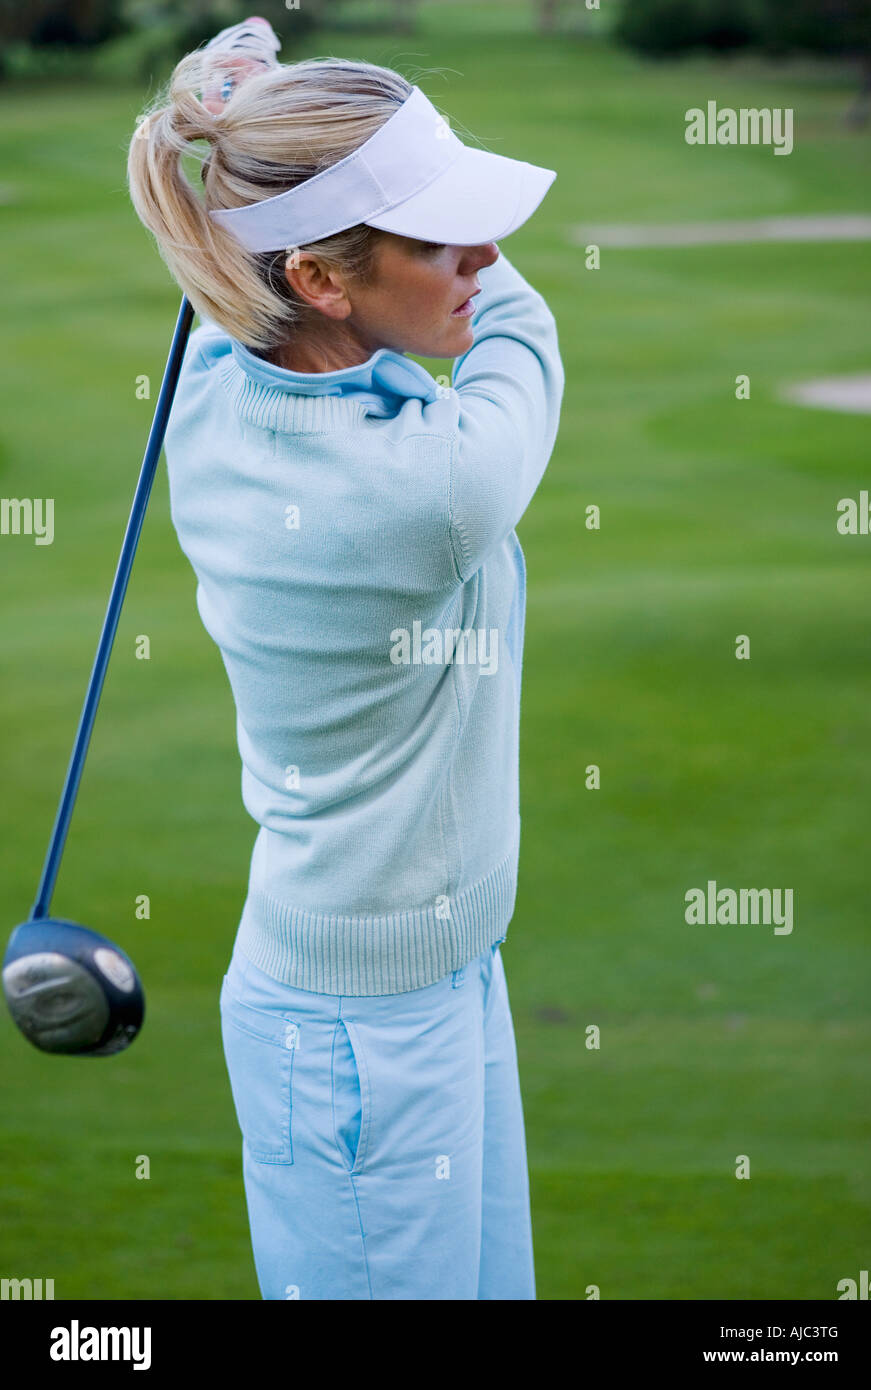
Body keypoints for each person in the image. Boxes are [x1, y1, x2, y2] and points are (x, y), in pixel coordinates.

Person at [127, 17, 564, 1300]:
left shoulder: (220, 368)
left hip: (431, 975)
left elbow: (246, 260)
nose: (481, 257)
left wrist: (249, 129)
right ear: (321, 282)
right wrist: (263, 127)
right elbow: (520, 327)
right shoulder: (432, 490)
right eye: (441, 235)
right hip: (362, 1043)